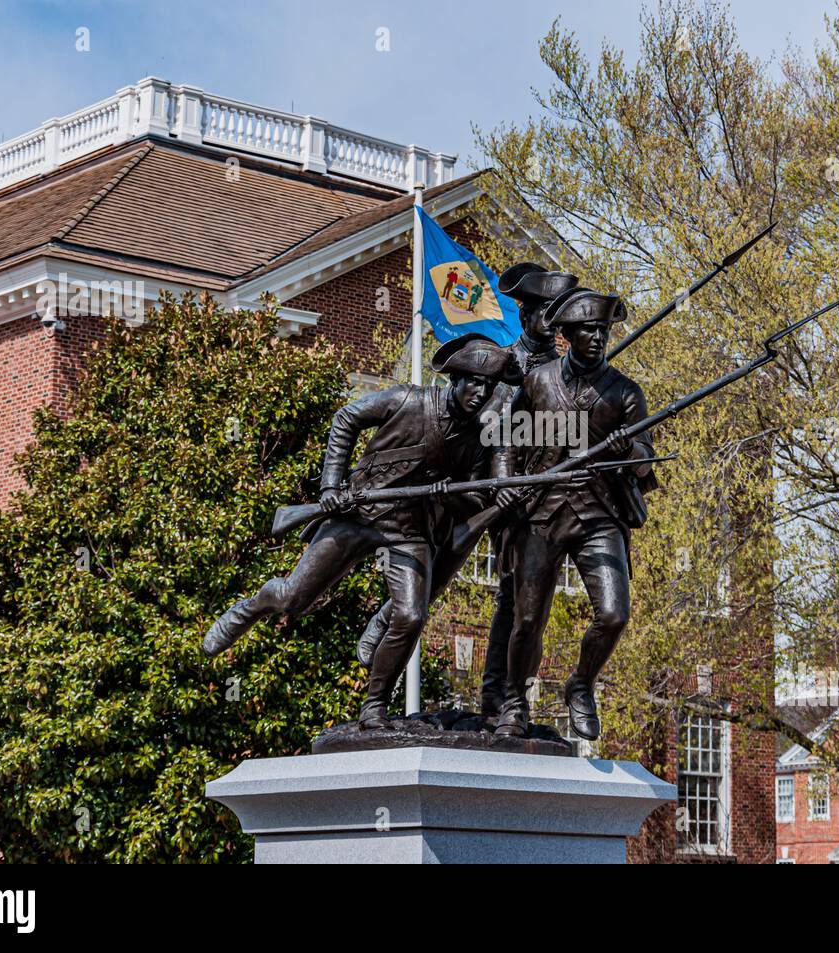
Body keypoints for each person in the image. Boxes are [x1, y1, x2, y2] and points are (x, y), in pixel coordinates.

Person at [201, 334, 521, 729]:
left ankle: (374, 706)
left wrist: (458, 495)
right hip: (357, 514)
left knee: (410, 616)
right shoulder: (407, 400)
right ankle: (253, 606)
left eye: (489, 387)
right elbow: (346, 419)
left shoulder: (482, 438)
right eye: (474, 381)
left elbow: (474, 494)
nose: (480, 392)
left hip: (409, 530)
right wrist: (332, 486)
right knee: (294, 599)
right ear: (455, 379)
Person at [353, 262, 579, 717]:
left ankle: (500, 700)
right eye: (546, 313)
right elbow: (482, 419)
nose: (554, 324)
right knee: (435, 574)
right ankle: (383, 638)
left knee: (519, 600)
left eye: (559, 316)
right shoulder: (502, 361)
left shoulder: (566, 372)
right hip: (476, 484)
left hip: (531, 493)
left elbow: (570, 428)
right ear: (527, 315)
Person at [494, 288, 657, 740]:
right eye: (588, 330)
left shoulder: (625, 393)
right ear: (565, 335)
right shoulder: (539, 381)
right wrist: (507, 481)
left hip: (598, 514)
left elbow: (646, 463)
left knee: (614, 613)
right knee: (526, 620)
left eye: (603, 331)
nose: (598, 338)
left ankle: (581, 685)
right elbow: (508, 437)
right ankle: (513, 700)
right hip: (541, 512)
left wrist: (630, 452)